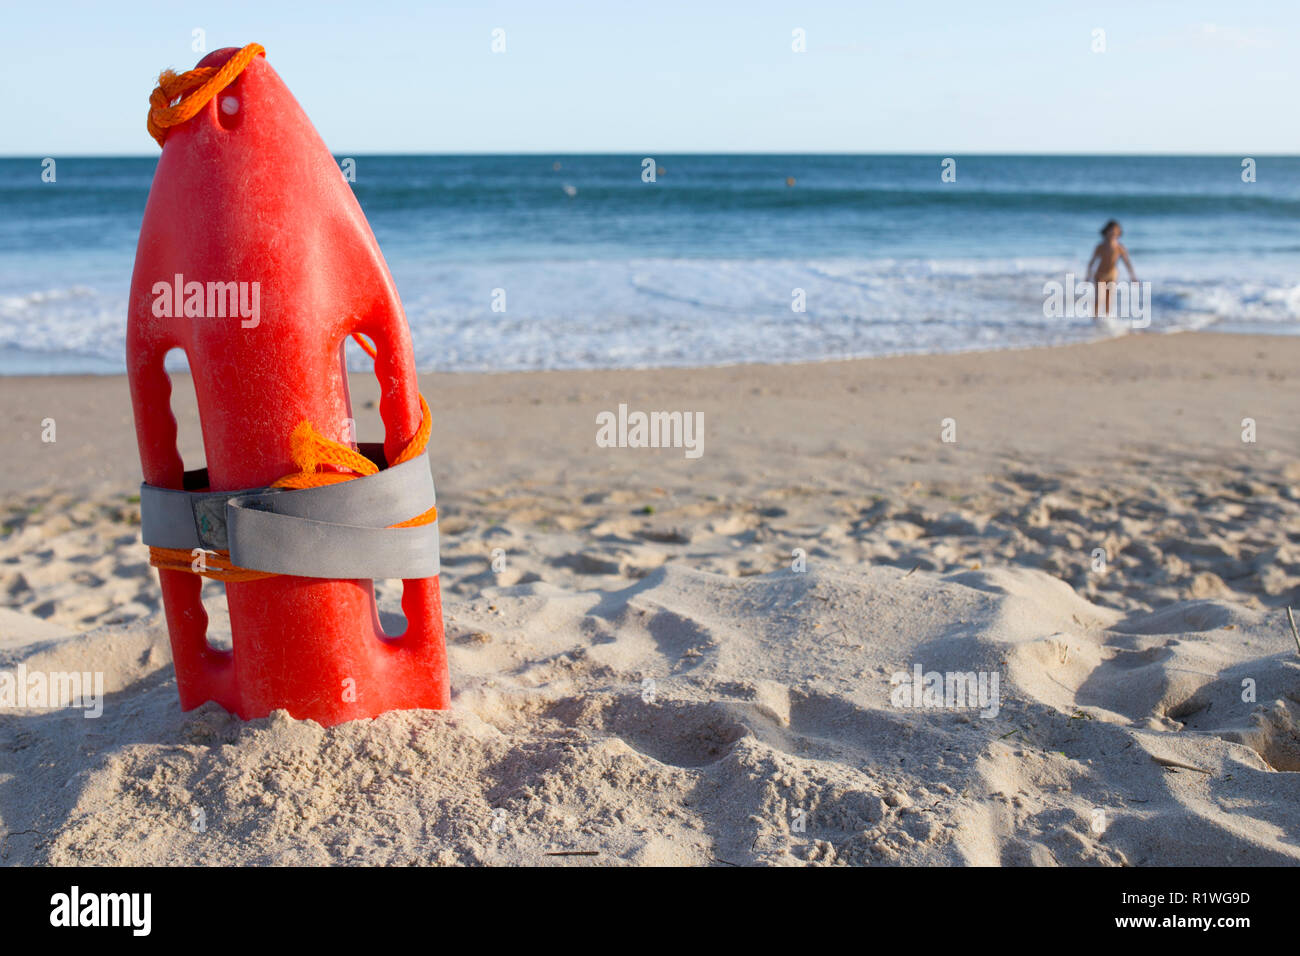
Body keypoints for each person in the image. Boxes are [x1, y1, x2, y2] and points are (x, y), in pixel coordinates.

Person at [1087, 220, 1137, 321]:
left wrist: (1133, 277)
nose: (1113, 233)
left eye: (1116, 231)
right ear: (1106, 231)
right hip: (1100, 275)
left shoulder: (1120, 247)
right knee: (1099, 298)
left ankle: (1107, 321)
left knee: (1108, 300)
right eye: (1111, 231)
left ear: (1119, 233)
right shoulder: (1100, 247)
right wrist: (1088, 276)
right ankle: (1094, 320)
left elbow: (1127, 263)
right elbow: (1092, 262)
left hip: (1112, 276)